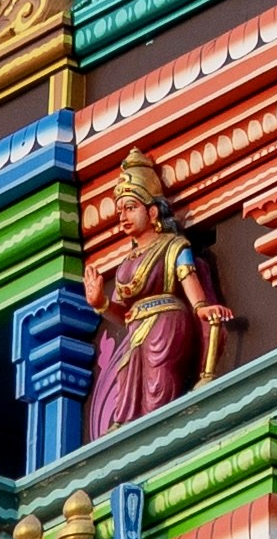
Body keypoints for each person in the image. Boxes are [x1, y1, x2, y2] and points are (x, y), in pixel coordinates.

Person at [86, 157, 233, 432]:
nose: (123, 217)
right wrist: (100, 302)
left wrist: (201, 306)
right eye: (120, 211)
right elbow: (123, 314)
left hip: (166, 322)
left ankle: (160, 429)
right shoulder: (127, 263)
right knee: (127, 379)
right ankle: (132, 431)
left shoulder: (173, 246)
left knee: (159, 380)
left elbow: (187, 276)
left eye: (131, 208)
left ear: (152, 212)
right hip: (136, 328)